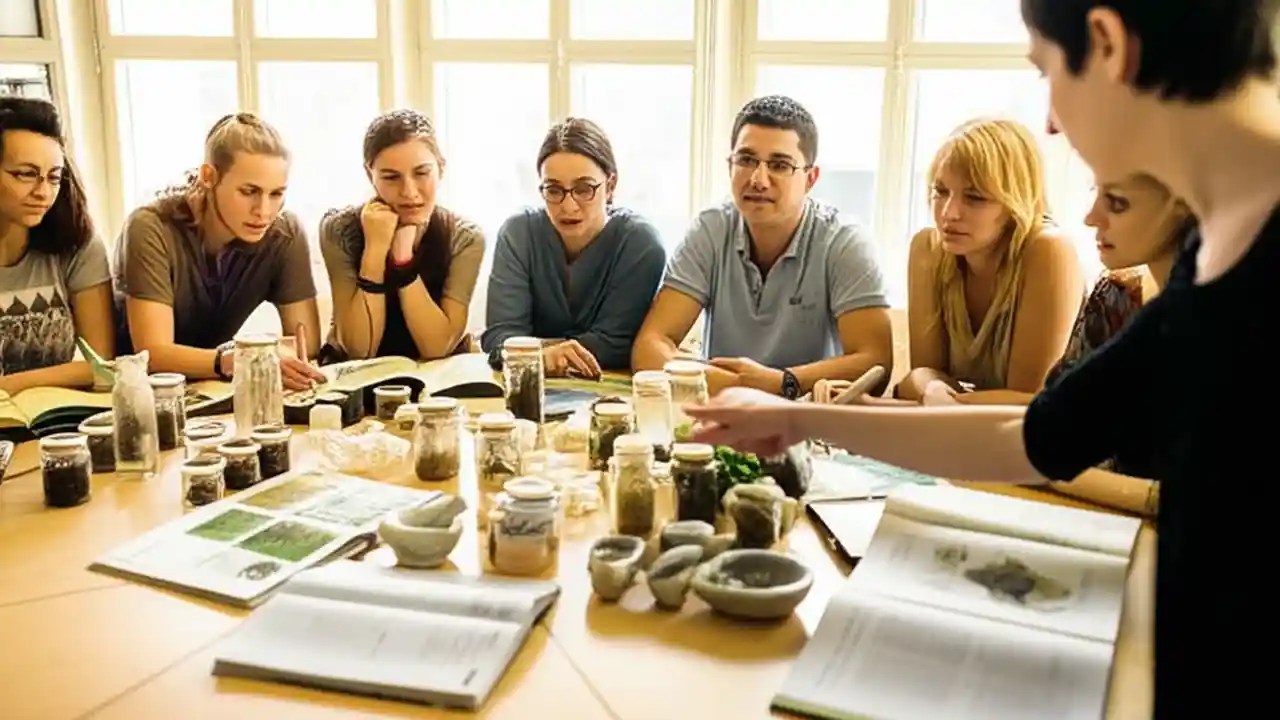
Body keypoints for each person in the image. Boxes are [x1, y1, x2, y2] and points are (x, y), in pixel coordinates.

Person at [685, 2, 1280, 715]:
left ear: (1106, 44)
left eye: (1046, 73)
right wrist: (791, 417)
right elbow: (1033, 436)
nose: (1053, 123)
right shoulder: (1209, 253)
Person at [632, 95, 892, 398]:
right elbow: (649, 347)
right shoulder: (710, 230)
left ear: (811, 178)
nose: (758, 179)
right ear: (729, 165)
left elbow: (876, 363)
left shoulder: (845, 242)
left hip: (810, 423)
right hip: (725, 417)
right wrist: (740, 388)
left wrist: (782, 382)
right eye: (746, 160)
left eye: (780, 165)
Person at [112, 112, 325, 391]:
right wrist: (237, 359)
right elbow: (152, 353)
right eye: (249, 191)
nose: (264, 211)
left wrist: (273, 356)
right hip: (138, 391)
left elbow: (306, 344)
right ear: (208, 176)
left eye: (276, 194)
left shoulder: (284, 232)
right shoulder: (150, 228)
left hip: (213, 388)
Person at [897, 118, 1083, 401]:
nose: (949, 213)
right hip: (975, 428)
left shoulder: (1048, 251)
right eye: (941, 191)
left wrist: (941, 400)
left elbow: (1027, 400)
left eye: (974, 197)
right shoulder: (929, 248)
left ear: (1015, 201)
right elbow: (922, 373)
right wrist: (932, 391)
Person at [481, 118, 665, 377]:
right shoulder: (518, 234)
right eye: (554, 190)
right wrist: (541, 357)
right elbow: (498, 338)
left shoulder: (640, 244)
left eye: (584, 189)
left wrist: (532, 353)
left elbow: (616, 343)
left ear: (610, 186)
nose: (568, 206)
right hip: (531, 385)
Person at [320, 109, 484, 362]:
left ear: (440, 169)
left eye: (421, 173)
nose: (409, 192)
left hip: (440, 383)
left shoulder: (464, 237)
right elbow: (359, 350)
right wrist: (375, 249)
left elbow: (437, 347)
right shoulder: (338, 230)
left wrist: (403, 260)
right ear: (370, 175)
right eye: (391, 177)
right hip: (357, 382)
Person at [0, 97, 114, 394]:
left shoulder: (77, 242)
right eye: (25, 174)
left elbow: (100, 364)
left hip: (57, 422)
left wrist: (7, 386)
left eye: (53, 177)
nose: (43, 192)